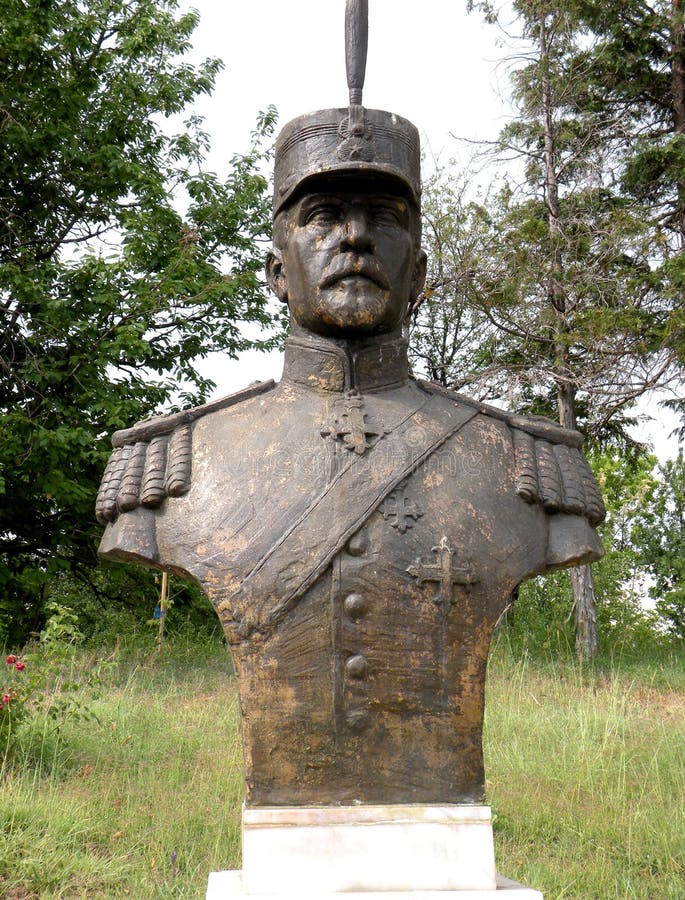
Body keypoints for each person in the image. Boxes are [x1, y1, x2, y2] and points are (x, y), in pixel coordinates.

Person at [96, 48, 604, 812]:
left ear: (421, 274)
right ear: (276, 270)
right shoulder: (176, 462)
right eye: (324, 217)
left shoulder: (521, 463)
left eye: (384, 219)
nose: (355, 238)